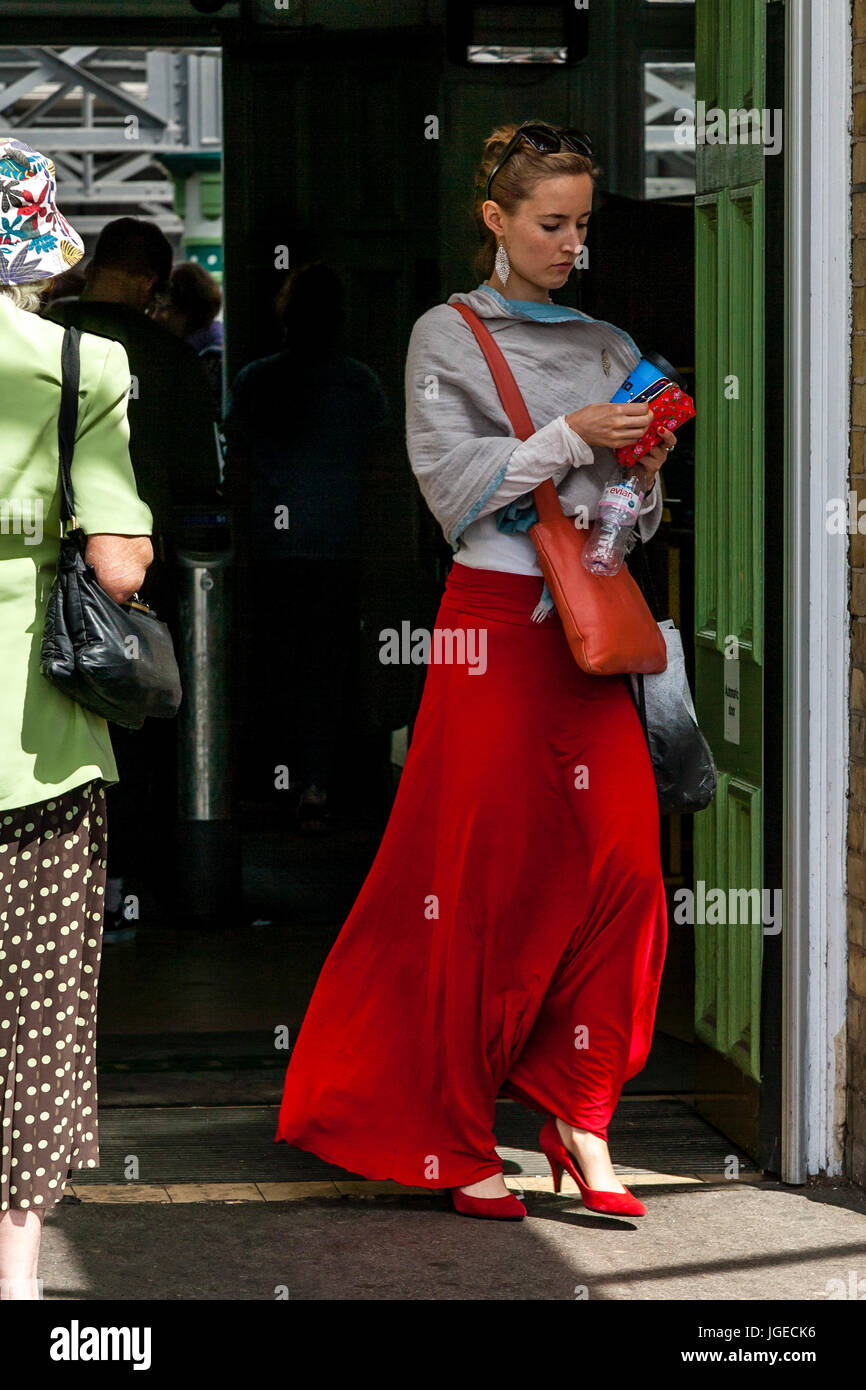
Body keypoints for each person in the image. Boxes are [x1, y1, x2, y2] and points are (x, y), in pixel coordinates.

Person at [275, 121, 675, 1219]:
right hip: (491, 625)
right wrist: (570, 433)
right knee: (477, 886)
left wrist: (639, 474)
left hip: (585, 628)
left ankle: (579, 1112)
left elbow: (623, 522)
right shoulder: (442, 335)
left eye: (582, 224)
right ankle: (450, 1137)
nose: (572, 244)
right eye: (551, 224)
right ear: (494, 220)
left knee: (628, 870)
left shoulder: (609, 341)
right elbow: (453, 489)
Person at [0, 139, 153, 1295]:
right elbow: (117, 566)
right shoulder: (80, 363)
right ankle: (17, 1270)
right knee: (33, 1014)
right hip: (37, 748)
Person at [44, 218, 221, 932]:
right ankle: (126, 886)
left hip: (40, 571)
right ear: (151, 283)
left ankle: (48, 883)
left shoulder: (42, 336)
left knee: (47, 723)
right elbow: (200, 476)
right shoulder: (171, 358)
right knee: (137, 730)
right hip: (136, 582)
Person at [224, 262, 389, 833]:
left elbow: (238, 472)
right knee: (330, 670)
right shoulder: (361, 385)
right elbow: (378, 478)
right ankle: (320, 783)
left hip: (273, 551)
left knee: (274, 668)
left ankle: (274, 784)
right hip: (339, 549)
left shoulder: (255, 381)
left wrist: (240, 546)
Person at [152, 259, 224, 411]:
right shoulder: (218, 344)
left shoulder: (203, 359)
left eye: (159, 307)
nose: (155, 317)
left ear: (176, 308)